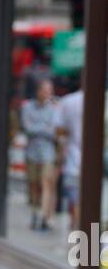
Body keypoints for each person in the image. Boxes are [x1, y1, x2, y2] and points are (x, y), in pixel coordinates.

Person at [20, 79, 57, 231]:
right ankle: (35, 213)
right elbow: (27, 128)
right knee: (33, 184)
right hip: (32, 152)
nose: (49, 94)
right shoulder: (27, 106)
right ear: (39, 91)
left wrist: (38, 128)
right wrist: (44, 129)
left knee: (46, 184)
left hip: (48, 153)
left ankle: (43, 217)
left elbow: (53, 130)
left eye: (50, 90)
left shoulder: (54, 108)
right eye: (46, 90)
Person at [54, 79, 83, 229]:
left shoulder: (68, 101)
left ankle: (79, 228)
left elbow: (59, 129)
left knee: (76, 198)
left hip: (73, 159)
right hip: (90, 162)